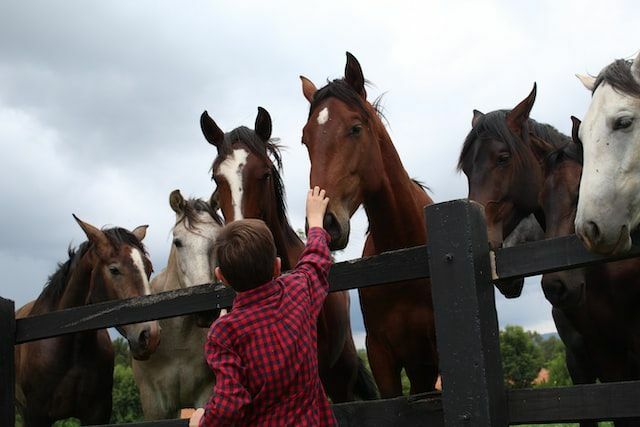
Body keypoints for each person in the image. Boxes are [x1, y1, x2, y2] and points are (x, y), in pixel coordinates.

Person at [190, 186, 336, 426]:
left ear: (221, 277)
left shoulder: (224, 333)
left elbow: (229, 405)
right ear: (277, 267)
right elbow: (316, 260)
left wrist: (202, 422)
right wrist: (316, 222)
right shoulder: (298, 291)